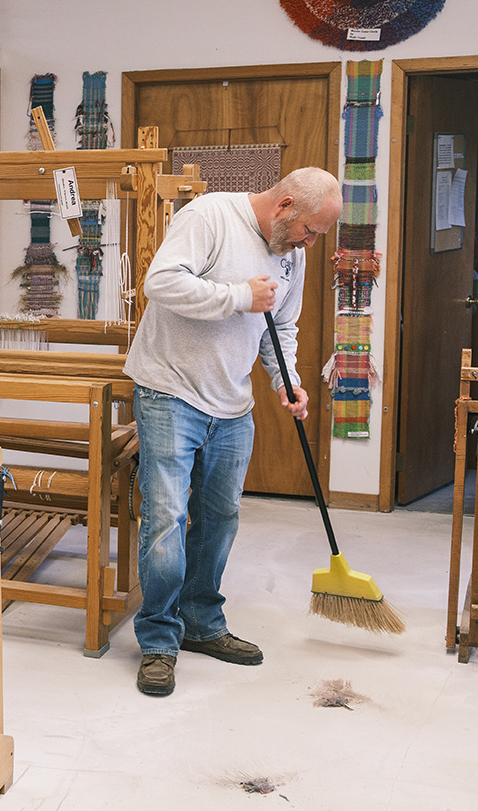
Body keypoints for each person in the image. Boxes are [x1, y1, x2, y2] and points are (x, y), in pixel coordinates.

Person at [122, 166, 342, 697]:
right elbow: (161, 282)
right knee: (166, 519)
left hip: (231, 403)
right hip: (169, 391)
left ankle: (200, 622)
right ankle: (157, 640)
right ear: (285, 205)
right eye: (309, 230)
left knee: (220, 517)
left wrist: (284, 379)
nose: (310, 243)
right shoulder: (210, 216)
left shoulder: (293, 254)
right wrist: (238, 295)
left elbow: (280, 325)